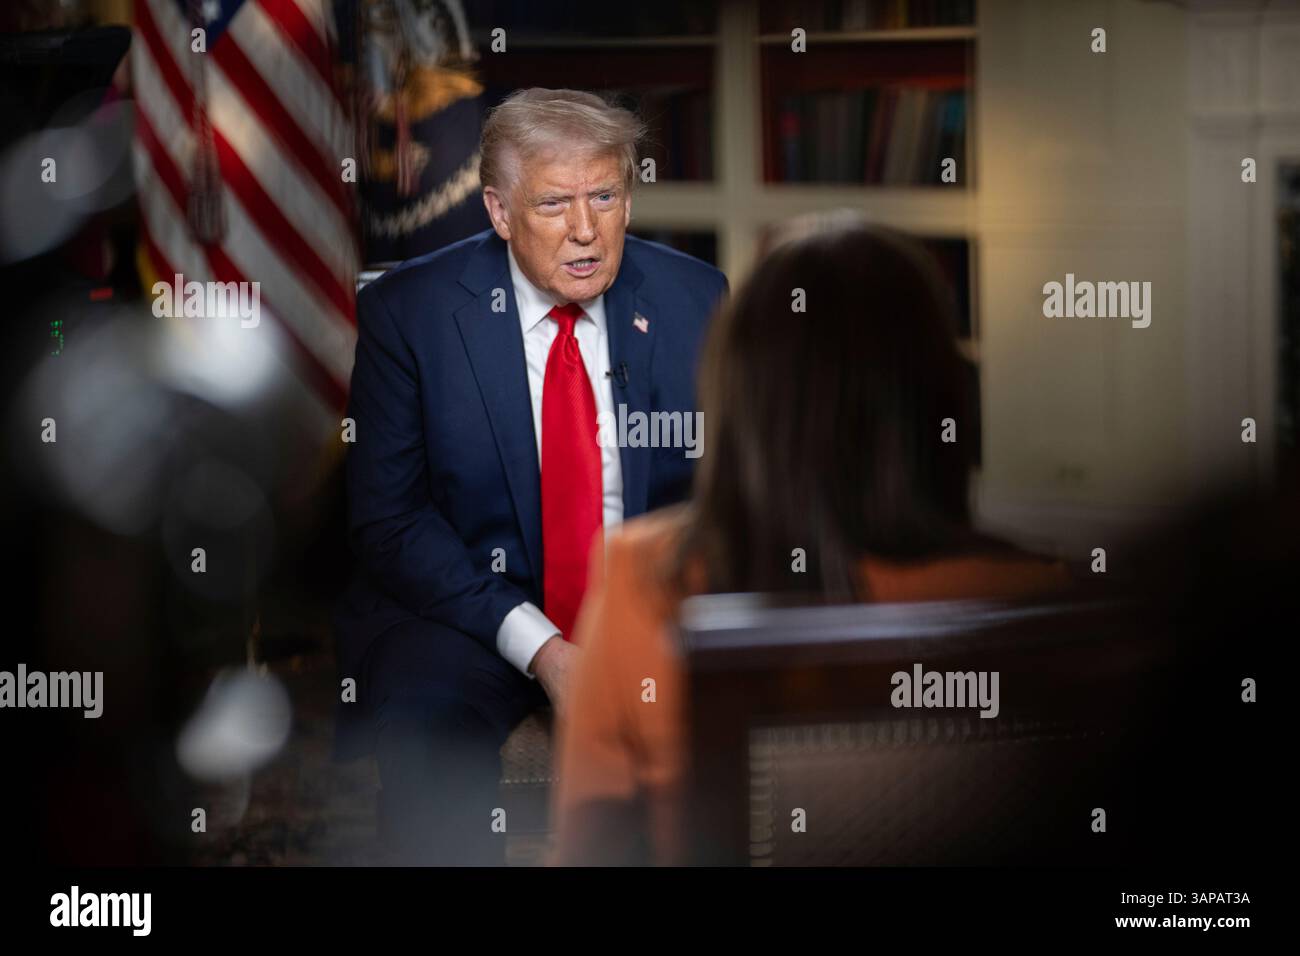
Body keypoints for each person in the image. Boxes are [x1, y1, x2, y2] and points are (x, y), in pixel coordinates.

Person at [551, 220, 1072, 866]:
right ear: (941, 398)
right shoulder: (1047, 597)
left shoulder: (647, 582)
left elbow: (590, 854)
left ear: (741, 389)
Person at [333, 88, 728, 864]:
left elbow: (725, 490)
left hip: (646, 606)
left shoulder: (694, 299)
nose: (586, 230)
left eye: (605, 196)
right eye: (553, 204)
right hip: (472, 612)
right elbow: (390, 520)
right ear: (499, 211)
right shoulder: (410, 314)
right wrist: (544, 648)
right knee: (425, 730)